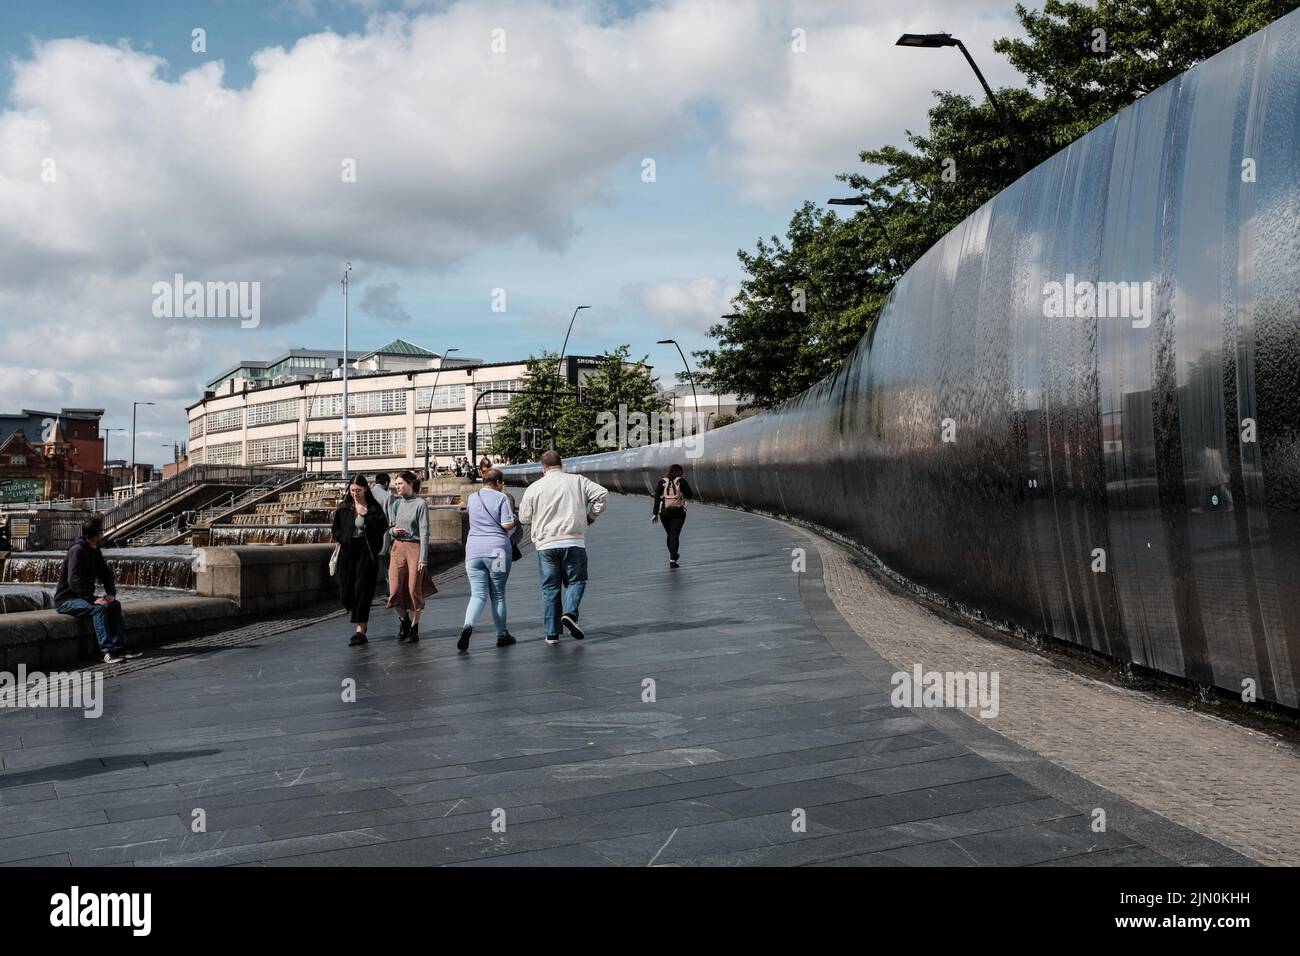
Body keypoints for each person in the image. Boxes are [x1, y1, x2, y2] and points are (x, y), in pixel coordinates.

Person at [517, 449, 608, 644]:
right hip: (573, 540)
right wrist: (591, 516)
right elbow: (602, 493)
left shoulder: (534, 487)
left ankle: (551, 634)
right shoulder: (577, 481)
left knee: (550, 588)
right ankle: (570, 613)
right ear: (561, 464)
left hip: (546, 544)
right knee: (576, 581)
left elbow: (523, 518)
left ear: (543, 468)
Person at [54, 517, 142, 663]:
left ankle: (119, 647)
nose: (102, 535)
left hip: (82, 598)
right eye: (101, 532)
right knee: (98, 609)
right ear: (97, 534)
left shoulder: (95, 550)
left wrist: (111, 594)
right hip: (66, 600)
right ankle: (107, 652)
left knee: (114, 605)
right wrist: (93, 599)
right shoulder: (77, 550)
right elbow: (73, 580)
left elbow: (105, 573)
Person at [459, 468, 518, 652]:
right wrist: (516, 520)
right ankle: (502, 634)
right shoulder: (501, 498)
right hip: (497, 552)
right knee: (498, 594)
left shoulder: (472, 498)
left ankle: (467, 625)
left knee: (477, 594)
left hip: (473, 552)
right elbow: (506, 524)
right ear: (498, 483)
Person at [332, 475, 388, 646]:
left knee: (362, 590)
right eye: (352, 490)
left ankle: (360, 629)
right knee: (346, 590)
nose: (355, 493)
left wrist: (368, 522)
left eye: (358, 490)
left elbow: (382, 526)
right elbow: (335, 529)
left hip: (366, 552)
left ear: (365, 490)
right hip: (348, 551)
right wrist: (343, 538)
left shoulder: (374, 508)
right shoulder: (344, 508)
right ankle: (354, 610)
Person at [385, 470, 430, 642]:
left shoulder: (420, 504)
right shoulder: (396, 504)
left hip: (414, 548)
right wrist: (393, 531)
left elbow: (425, 532)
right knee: (394, 590)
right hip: (398, 548)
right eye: (396, 484)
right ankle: (404, 620)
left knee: (413, 589)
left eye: (400, 484)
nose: (397, 487)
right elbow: (390, 527)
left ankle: (414, 627)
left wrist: (423, 558)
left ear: (410, 484)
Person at [651, 463, 692, 569]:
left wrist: (655, 514)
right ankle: (673, 559)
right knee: (675, 535)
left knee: (670, 535)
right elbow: (690, 495)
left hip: (664, 513)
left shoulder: (662, 482)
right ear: (679, 472)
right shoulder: (681, 481)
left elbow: (657, 498)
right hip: (678, 512)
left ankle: (673, 555)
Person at [371, 473, 392, 596]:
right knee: (386, 564)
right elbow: (391, 519)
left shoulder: (367, 493)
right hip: (383, 535)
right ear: (386, 483)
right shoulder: (387, 496)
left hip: (368, 535)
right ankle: (389, 590)